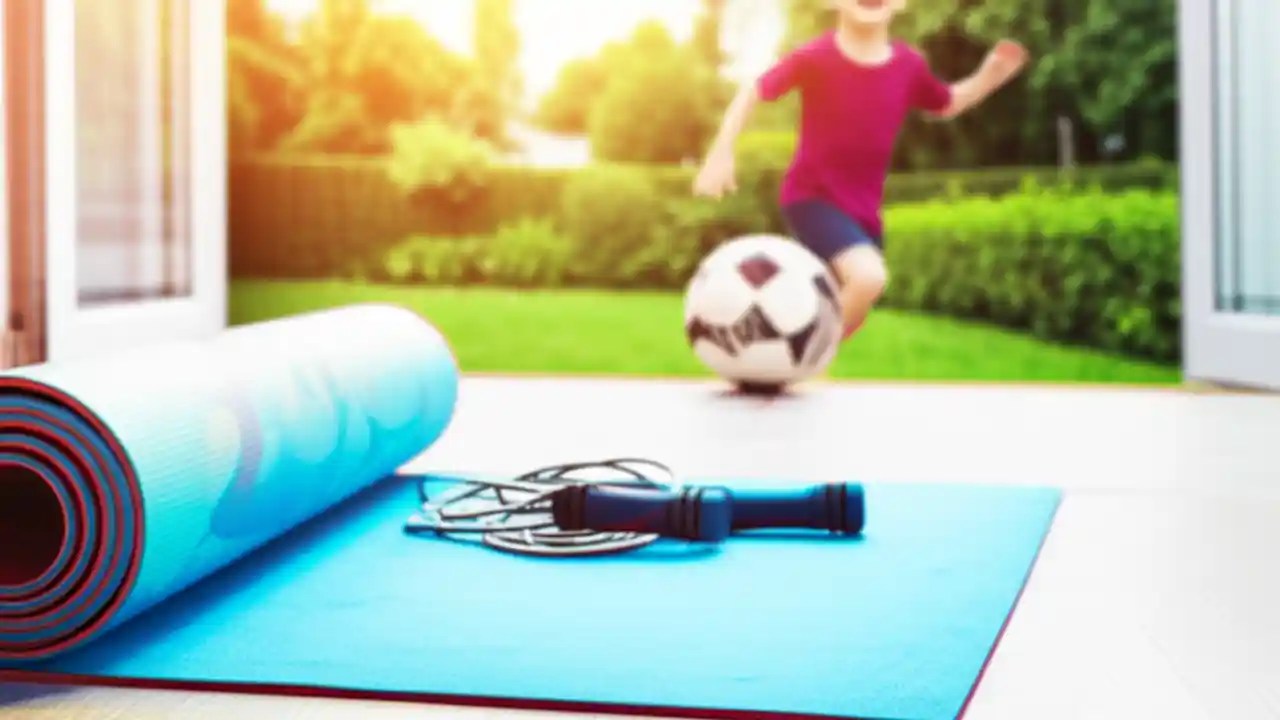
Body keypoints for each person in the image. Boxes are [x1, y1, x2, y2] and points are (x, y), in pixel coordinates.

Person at [693, 0, 1029, 341]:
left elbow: (946, 103)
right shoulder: (815, 57)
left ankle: (796, 364)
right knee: (868, 278)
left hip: (865, 213)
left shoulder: (908, 66)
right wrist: (721, 151)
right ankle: (803, 353)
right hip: (812, 197)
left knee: (837, 304)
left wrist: (989, 76)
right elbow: (754, 89)